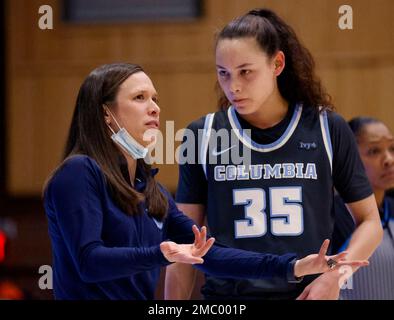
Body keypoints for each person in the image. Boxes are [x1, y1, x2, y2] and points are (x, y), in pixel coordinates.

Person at [42, 63, 366, 300]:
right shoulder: (78, 173)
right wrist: (161, 253)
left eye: (155, 98)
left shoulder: (148, 188)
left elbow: (209, 254)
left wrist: (293, 266)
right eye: (140, 98)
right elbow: (89, 263)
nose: (155, 108)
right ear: (104, 114)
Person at [166, 8, 383, 300]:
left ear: (277, 64)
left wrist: (336, 275)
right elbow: (185, 245)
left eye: (245, 72)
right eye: (224, 74)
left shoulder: (326, 128)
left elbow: (370, 222)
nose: (234, 86)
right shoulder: (202, 136)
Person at [332, 117, 394, 299]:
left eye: (392, 148)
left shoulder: (391, 207)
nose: (388, 160)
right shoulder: (332, 217)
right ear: (348, 159)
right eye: (374, 151)